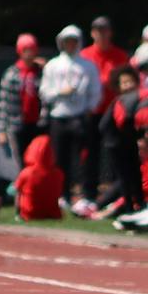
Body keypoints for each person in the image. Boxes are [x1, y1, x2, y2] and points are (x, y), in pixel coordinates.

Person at [39, 24, 101, 215]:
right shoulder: (53, 65)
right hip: (59, 117)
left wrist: (90, 109)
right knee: (59, 158)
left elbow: (95, 91)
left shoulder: (88, 65)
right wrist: (60, 93)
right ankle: (62, 195)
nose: (71, 45)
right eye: (67, 41)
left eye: (74, 41)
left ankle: (83, 196)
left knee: (82, 158)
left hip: (80, 117)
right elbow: (44, 92)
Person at [80, 16, 130, 204]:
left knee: (116, 151)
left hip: (115, 111)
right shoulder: (85, 55)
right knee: (90, 152)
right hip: (92, 111)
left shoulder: (120, 55)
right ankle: (89, 193)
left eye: (105, 30)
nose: (101, 34)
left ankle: (118, 192)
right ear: (93, 33)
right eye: (98, 30)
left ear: (110, 32)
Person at [87, 66, 146, 220]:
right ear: (118, 86)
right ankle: (129, 208)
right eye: (124, 83)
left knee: (134, 176)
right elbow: (117, 123)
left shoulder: (137, 98)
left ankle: (137, 205)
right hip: (118, 144)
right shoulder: (120, 101)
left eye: (130, 82)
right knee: (126, 178)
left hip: (127, 143)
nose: (128, 85)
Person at [0, 33, 44, 173]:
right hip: (17, 124)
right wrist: (2, 130)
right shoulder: (11, 74)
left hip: (38, 123)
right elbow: (4, 104)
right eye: (25, 50)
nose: (29, 53)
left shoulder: (41, 72)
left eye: (32, 49)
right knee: (21, 161)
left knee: (38, 158)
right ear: (20, 51)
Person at [13, 134, 64, 221]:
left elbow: (17, 192)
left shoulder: (26, 172)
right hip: (52, 213)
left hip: (30, 213)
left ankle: (18, 215)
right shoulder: (58, 173)